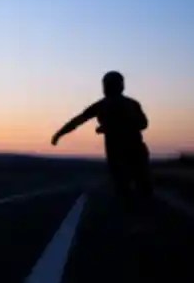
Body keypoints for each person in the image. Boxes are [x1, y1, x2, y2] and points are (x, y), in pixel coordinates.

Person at [52, 71, 152, 202]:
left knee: (131, 186)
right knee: (134, 186)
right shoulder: (129, 104)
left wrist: (59, 134)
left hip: (124, 150)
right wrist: (59, 134)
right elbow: (143, 124)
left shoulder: (110, 105)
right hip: (128, 150)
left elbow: (78, 120)